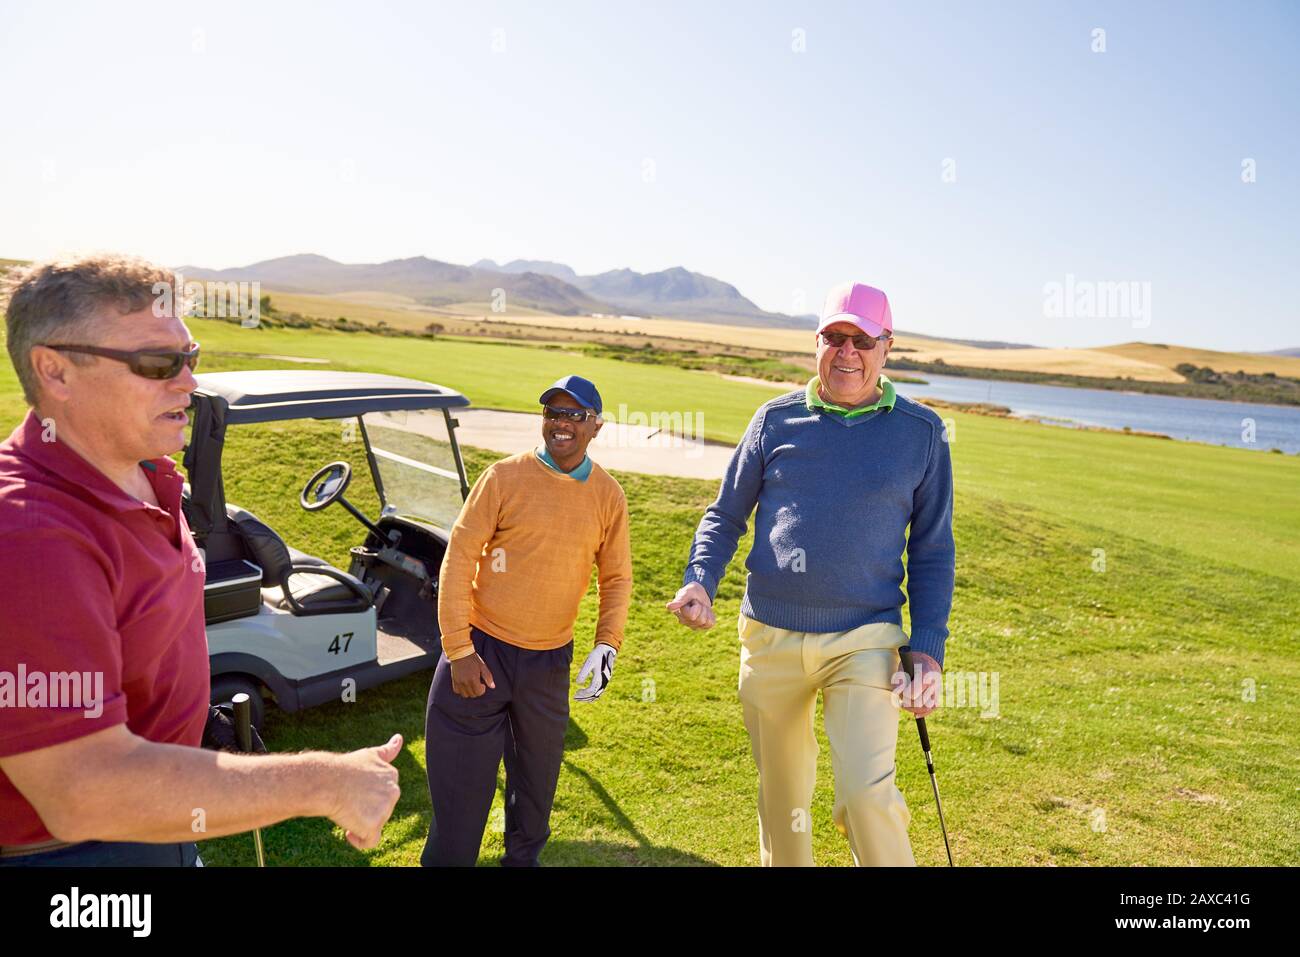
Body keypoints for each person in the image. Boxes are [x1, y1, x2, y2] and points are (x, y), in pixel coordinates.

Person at [0, 255, 403, 866]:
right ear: (55, 371)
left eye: (190, 359)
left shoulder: (150, 475)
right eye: (159, 364)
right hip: (72, 854)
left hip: (157, 820)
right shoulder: (30, 535)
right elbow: (82, 791)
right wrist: (327, 782)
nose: (189, 382)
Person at [667, 281, 955, 867]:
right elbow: (726, 514)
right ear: (817, 342)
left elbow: (932, 551)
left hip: (866, 639)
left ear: (886, 347)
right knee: (784, 800)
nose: (847, 351)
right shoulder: (775, 419)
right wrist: (700, 578)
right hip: (769, 635)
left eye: (862, 339)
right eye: (834, 337)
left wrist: (926, 650)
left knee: (866, 796)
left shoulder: (921, 433)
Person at [422, 375, 632, 866]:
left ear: (596, 427)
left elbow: (617, 578)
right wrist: (459, 649)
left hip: (548, 664)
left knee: (534, 803)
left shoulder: (608, 496)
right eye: (553, 413)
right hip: (482, 653)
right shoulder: (502, 477)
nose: (561, 424)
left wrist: (607, 645)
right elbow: (458, 560)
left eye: (574, 415)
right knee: (459, 811)